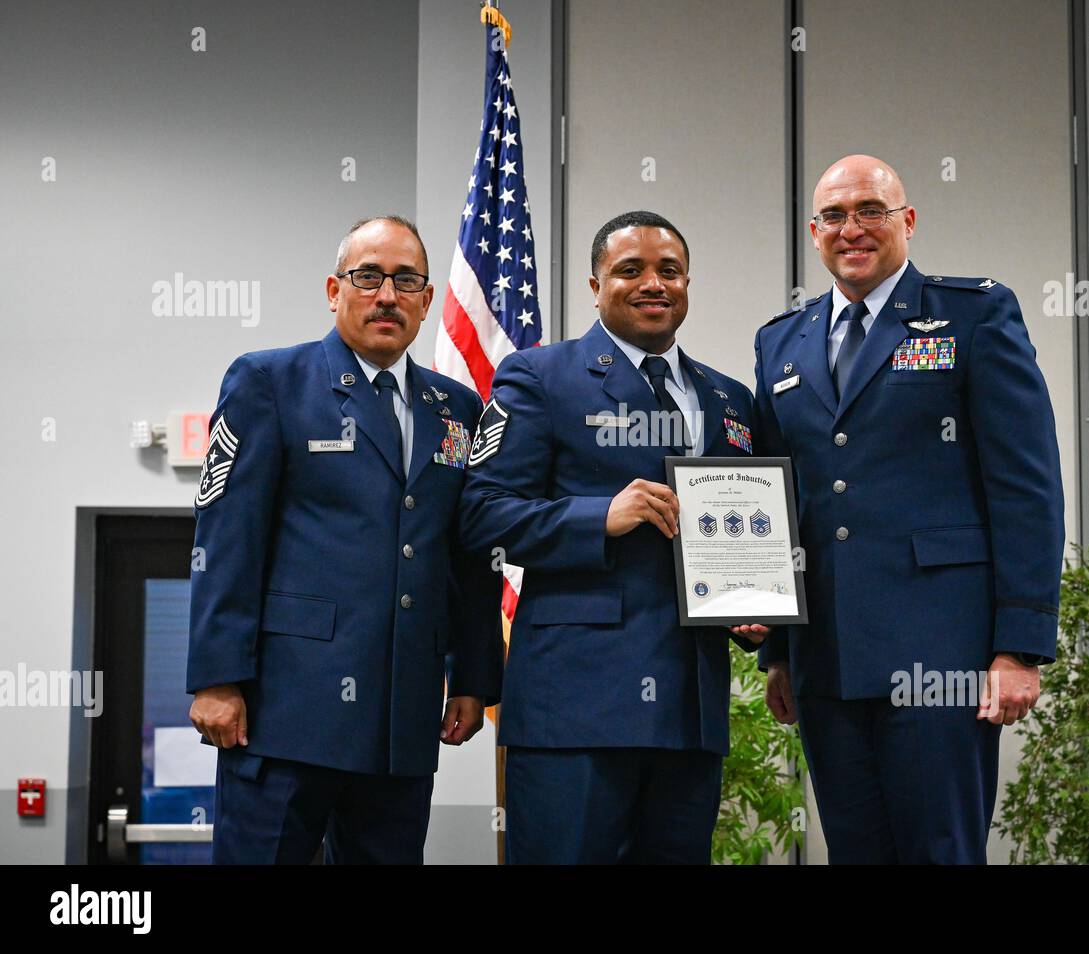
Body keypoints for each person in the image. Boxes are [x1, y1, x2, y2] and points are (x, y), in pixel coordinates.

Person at [753, 156, 1065, 863]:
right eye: (834, 215)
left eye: (871, 210)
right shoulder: (780, 342)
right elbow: (780, 498)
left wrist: (1019, 646)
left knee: (939, 851)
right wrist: (777, 649)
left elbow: (1028, 486)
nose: (851, 228)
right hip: (827, 658)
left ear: (909, 222)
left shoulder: (974, 313)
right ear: (814, 231)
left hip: (941, 653)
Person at [186, 215, 502, 864]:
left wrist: (473, 675)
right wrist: (216, 678)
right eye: (368, 277)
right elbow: (226, 537)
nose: (387, 294)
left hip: (399, 724)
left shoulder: (459, 409)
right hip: (282, 717)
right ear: (335, 290)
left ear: (426, 300)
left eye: (406, 280)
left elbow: (469, 554)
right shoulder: (270, 383)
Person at [460, 211, 765, 864]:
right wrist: (599, 516)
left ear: (687, 284)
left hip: (690, 711)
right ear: (596, 284)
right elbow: (481, 515)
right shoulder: (541, 378)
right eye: (630, 270)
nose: (652, 283)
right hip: (577, 710)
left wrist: (747, 608)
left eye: (669, 271)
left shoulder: (729, 398)